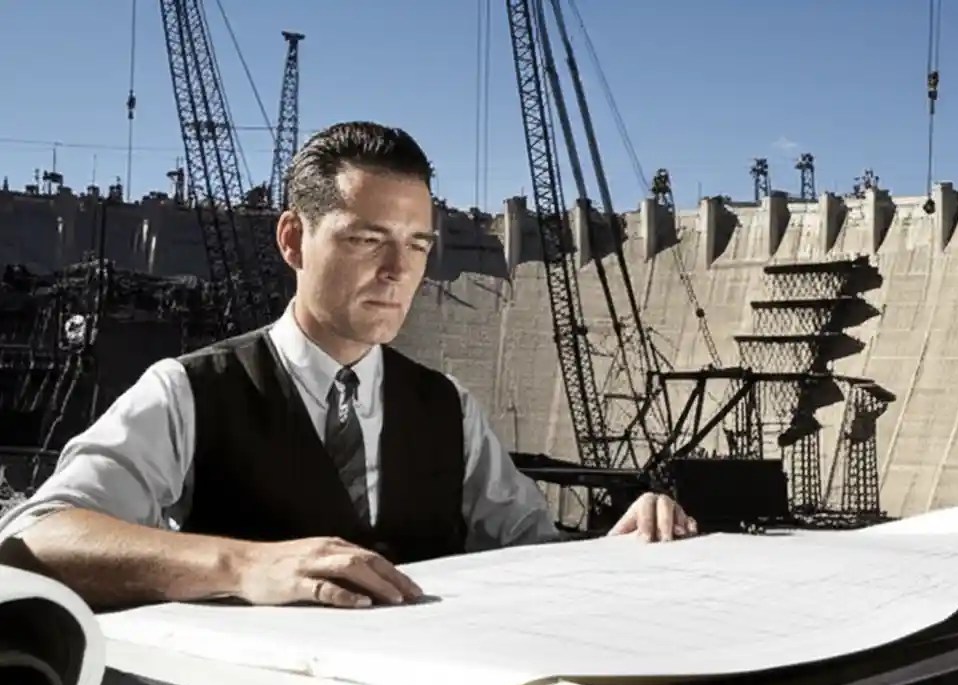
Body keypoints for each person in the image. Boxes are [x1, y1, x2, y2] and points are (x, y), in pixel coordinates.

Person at [0, 121, 697, 611]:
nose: (399, 271)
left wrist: (622, 545)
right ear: (293, 238)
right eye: (368, 239)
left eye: (418, 244)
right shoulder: (190, 391)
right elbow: (36, 536)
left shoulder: (446, 408)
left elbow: (536, 556)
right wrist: (242, 565)